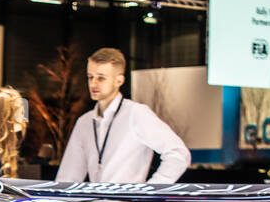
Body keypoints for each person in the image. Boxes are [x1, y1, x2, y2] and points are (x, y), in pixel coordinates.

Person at [57, 47, 190, 189]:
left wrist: (144, 195)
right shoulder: (84, 122)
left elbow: (179, 154)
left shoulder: (136, 113)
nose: (93, 83)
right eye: (90, 77)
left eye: (101, 78)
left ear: (119, 80)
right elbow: (68, 176)